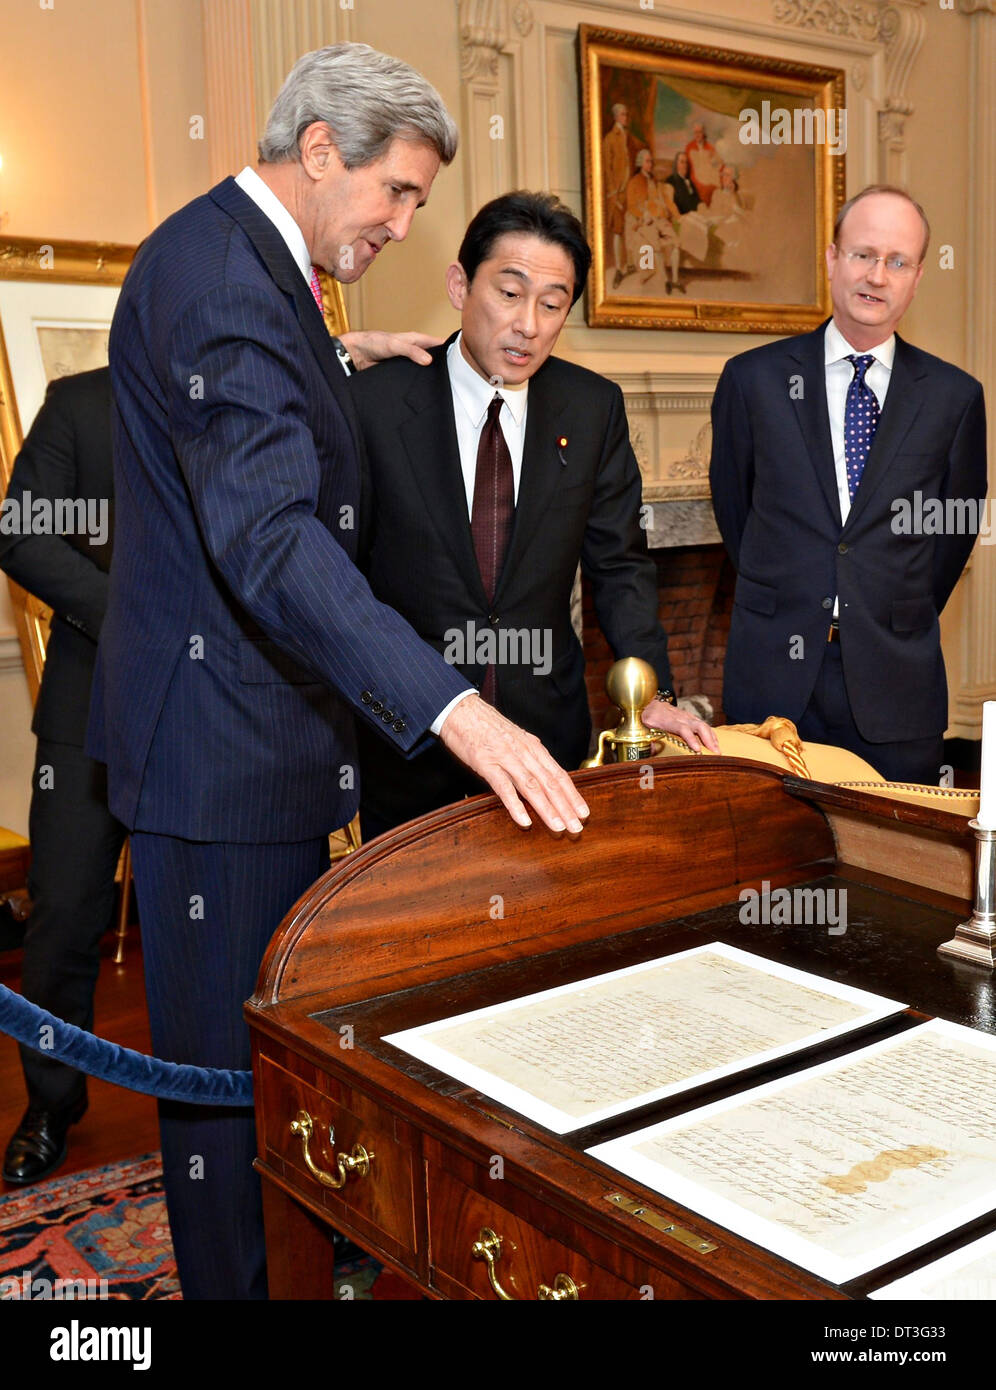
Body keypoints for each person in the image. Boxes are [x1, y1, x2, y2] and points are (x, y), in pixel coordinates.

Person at [86, 43, 587, 1301]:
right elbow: (266, 537)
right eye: (398, 194)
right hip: (218, 761)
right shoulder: (223, 285)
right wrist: (454, 708)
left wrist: (338, 358)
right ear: (320, 150)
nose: (404, 222)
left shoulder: (252, 266)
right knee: (222, 1104)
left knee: (261, 1080)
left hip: (245, 746)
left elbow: (249, 414)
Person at [349, 191, 719, 837]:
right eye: (510, 293)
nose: (529, 324)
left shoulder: (591, 407)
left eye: (552, 305)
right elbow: (339, 578)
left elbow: (620, 563)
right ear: (460, 283)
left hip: (545, 742)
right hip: (408, 743)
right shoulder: (377, 402)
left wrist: (654, 695)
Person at [709, 185, 987, 783]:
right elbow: (737, 513)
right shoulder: (751, 381)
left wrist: (881, 609)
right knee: (770, 864)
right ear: (832, 260)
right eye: (863, 254)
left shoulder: (955, 399)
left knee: (897, 868)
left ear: (916, 278)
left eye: (897, 262)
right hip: (773, 683)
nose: (876, 276)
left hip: (895, 684)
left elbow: (951, 538)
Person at [0, 368, 126, 1186]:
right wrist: (130, 616)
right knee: (64, 916)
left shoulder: (251, 395)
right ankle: (52, 1102)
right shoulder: (82, 404)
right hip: (91, 711)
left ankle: (223, 1102)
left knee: (216, 926)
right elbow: (22, 535)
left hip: (216, 716)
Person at [624, 150, 681, 291]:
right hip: (645, 222)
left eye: (651, 161)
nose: (651, 164)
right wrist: (644, 216)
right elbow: (631, 206)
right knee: (655, 243)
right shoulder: (634, 182)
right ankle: (666, 280)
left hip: (660, 219)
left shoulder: (655, 181)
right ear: (640, 163)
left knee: (676, 243)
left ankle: (675, 280)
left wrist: (677, 217)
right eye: (647, 161)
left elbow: (666, 200)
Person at [602, 103, 642, 288]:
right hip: (617, 192)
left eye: (627, 114)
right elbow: (607, 169)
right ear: (617, 116)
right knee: (618, 229)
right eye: (624, 115)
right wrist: (613, 193)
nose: (626, 117)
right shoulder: (610, 138)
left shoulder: (628, 137)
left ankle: (631, 263)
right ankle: (619, 268)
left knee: (631, 226)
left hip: (629, 189)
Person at [685, 122, 721, 207]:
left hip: (710, 178)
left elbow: (717, 164)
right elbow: (688, 167)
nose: (697, 135)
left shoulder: (710, 147)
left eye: (700, 132)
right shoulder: (689, 147)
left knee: (717, 190)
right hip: (695, 180)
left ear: (703, 133)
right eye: (695, 132)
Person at [666, 150, 698, 215]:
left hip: (695, 214)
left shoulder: (689, 181)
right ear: (676, 164)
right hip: (682, 216)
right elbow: (672, 204)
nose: (685, 165)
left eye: (686, 163)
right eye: (682, 162)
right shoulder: (670, 181)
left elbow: (696, 198)